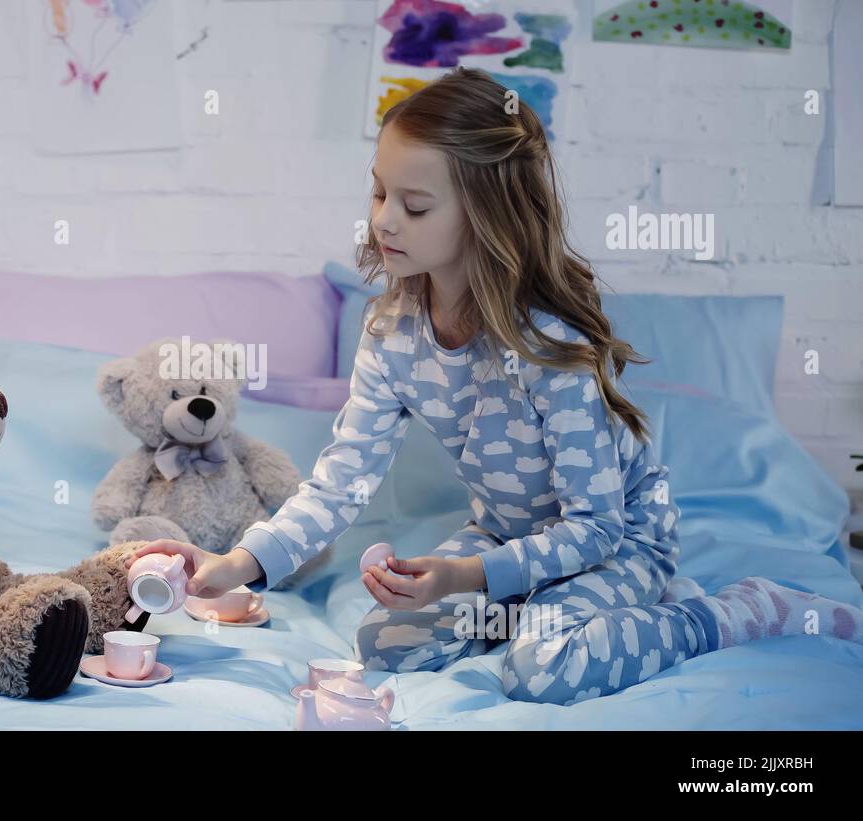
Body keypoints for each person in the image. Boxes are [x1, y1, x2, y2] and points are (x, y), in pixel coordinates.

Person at [128, 67, 863, 705]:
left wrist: (468, 575)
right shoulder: (392, 333)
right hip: (509, 539)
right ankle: (539, 606)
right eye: (380, 193)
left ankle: (725, 612)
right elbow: (339, 484)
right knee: (385, 640)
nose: (384, 219)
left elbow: (598, 525)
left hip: (617, 545)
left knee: (541, 669)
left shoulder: (549, 344)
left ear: (485, 215)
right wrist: (237, 564)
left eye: (414, 206)